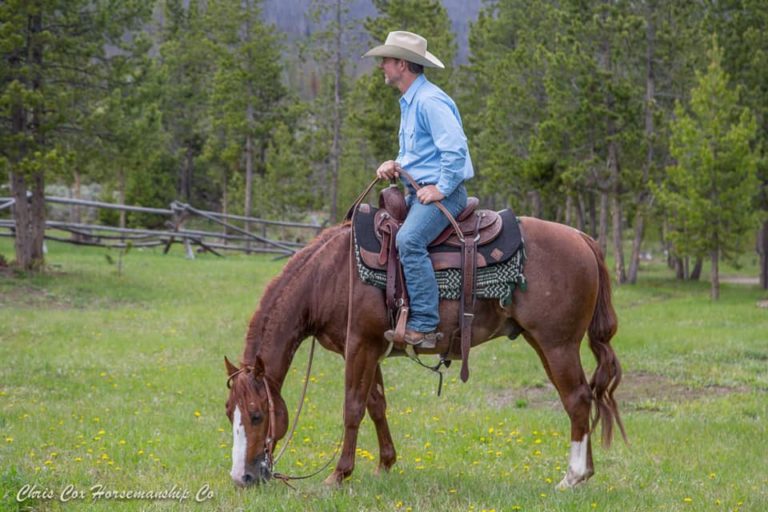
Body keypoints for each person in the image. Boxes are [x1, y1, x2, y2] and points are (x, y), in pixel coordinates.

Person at [363, 31, 474, 349]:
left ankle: (424, 323)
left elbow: (455, 149)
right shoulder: (412, 102)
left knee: (409, 240)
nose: (381, 65)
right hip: (418, 191)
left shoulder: (429, 101)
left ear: (402, 64)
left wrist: (441, 188)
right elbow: (419, 154)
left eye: (386, 60)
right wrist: (395, 164)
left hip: (443, 195)